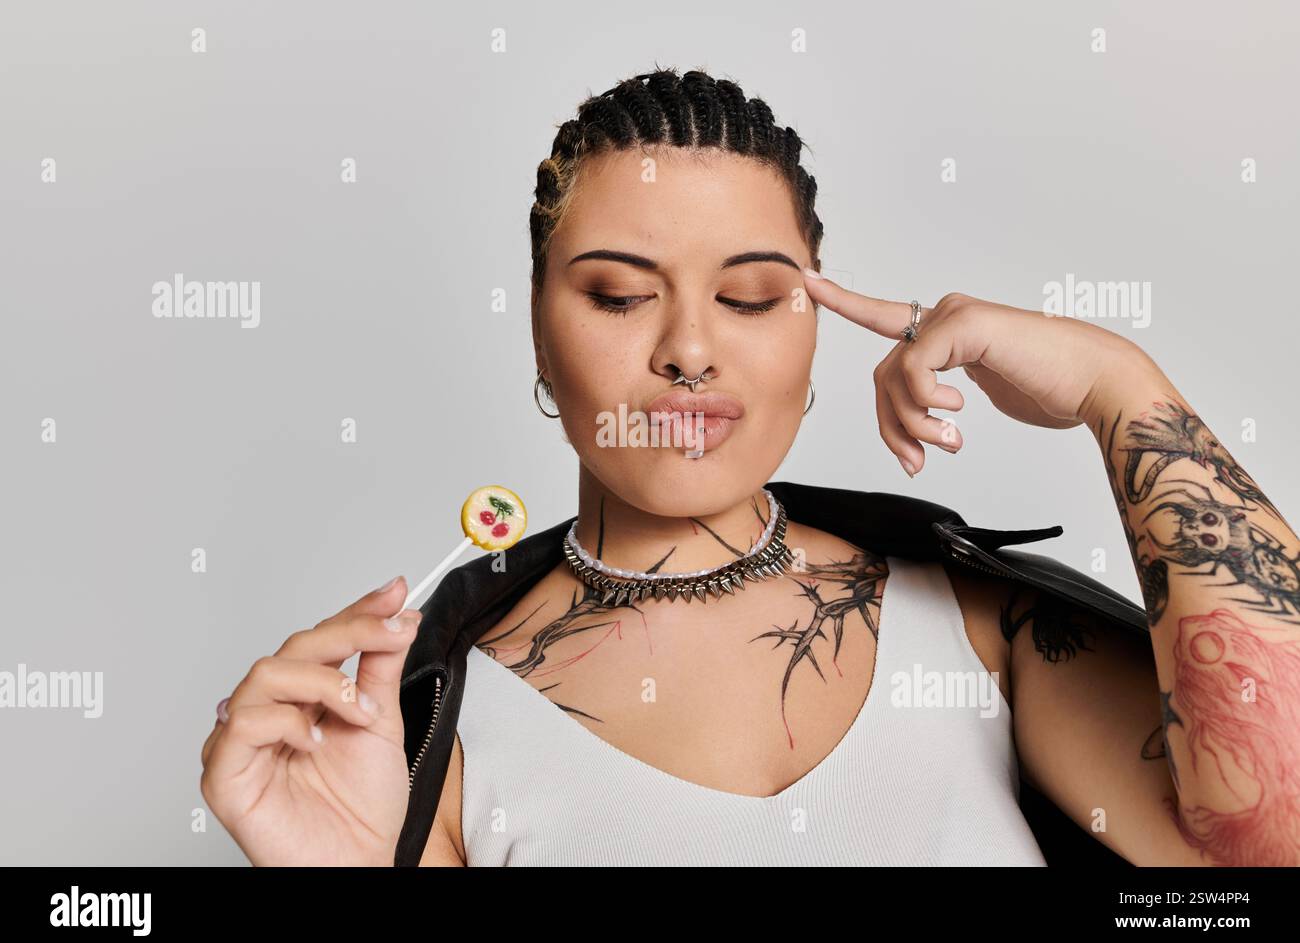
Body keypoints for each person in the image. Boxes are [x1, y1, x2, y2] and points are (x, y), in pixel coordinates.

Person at [200, 67, 1300, 867]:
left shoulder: (971, 626)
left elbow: (1272, 832)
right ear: (538, 336)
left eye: (750, 296)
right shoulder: (433, 732)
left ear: (812, 329)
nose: (687, 348)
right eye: (619, 295)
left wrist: (1124, 390)